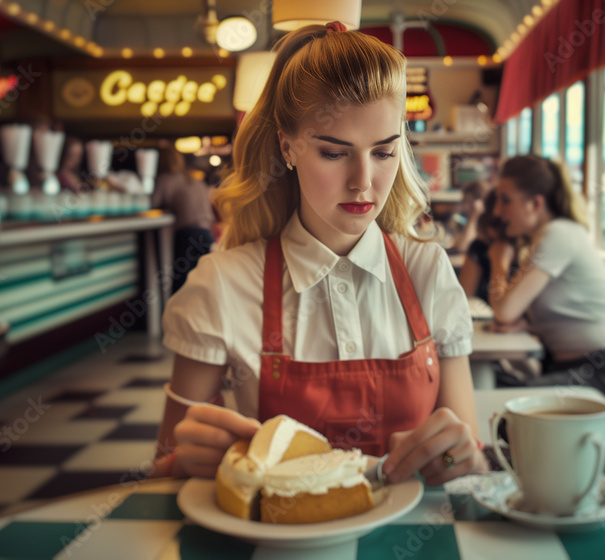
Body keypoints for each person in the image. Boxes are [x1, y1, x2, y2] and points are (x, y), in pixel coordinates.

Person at [150, 22, 484, 487]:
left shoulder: (427, 270)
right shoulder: (221, 283)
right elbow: (160, 475)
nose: (363, 181)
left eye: (384, 152)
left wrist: (463, 458)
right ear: (288, 146)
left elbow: (471, 466)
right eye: (333, 153)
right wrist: (186, 462)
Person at [486, 155, 605, 419]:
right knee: (491, 384)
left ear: (535, 203)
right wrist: (529, 326)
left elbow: (505, 311)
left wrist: (499, 261)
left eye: (505, 200)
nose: (497, 211)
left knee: (502, 403)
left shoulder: (559, 234)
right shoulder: (545, 240)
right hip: (580, 370)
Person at [152, 143, 216, 293]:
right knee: (205, 284)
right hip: (207, 234)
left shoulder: (165, 179)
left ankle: (176, 316)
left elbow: (153, 204)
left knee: (182, 286)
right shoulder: (194, 179)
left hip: (188, 235)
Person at [458, 189, 518, 304]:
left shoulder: (530, 247)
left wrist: (500, 260)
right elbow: (462, 299)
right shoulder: (480, 247)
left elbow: (504, 310)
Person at [447, 179, 490, 254]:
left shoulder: (489, 226)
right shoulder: (463, 220)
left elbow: (462, 247)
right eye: (464, 201)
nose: (465, 207)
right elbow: (458, 245)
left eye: (469, 202)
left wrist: (473, 217)